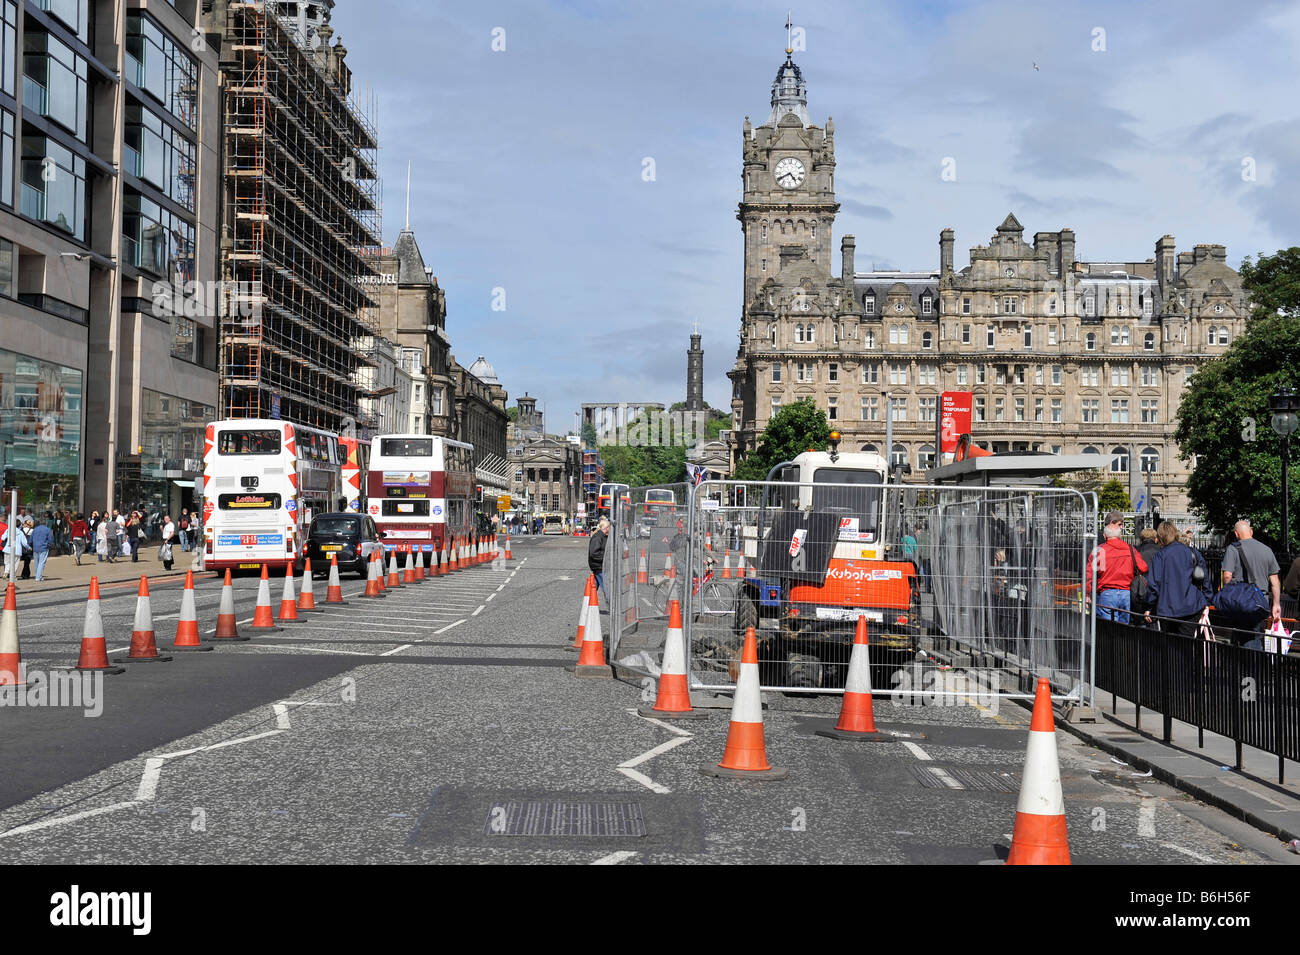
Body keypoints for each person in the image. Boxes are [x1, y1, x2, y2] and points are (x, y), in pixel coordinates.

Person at [1144, 521, 1213, 638]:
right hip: (1191, 604)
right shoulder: (1191, 552)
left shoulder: (1160, 556)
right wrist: (1207, 599)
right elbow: (1204, 577)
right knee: (1187, 642)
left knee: (1172, 645)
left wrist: (1149, 607)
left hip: (1168, 607)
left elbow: (1154, 585)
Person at [1221, 518, 1282, 649]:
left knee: (1245, 636)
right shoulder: (1267, 550)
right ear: (1251, 532)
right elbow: (1275, 581)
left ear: (1236, 534)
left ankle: (1250, 666)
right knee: (1255, 634)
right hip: (1261, 600)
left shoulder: (1232, 549)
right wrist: (1276, 603)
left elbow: (1227, 576)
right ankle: (1253, 663)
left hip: (1241, 600)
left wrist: (1228, 592)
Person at [1086, 512, 1149, 624]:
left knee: (1109, 627)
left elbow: (1089, 575)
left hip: (1107, 593)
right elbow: (1143, 568)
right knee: (1124, 628)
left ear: (1105, 536)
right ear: (1120, 536)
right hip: (1126, 593)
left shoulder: (1099, 551)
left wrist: (1087, 594)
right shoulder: (1130, 549)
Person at [588, 515, 609, 605]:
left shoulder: (603, 536)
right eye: (610, 528)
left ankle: (588, 602)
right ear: (606, 528)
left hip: (600, 565)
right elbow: (594, 553)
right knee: (607, 587)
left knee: (594, 585)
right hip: (598, 565)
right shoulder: (598, 537)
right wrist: (606, 557)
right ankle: (612, 606)